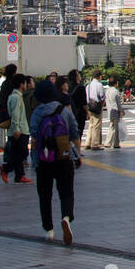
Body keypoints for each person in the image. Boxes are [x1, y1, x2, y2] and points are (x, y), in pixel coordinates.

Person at [30, 78, 81, 244]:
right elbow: (74, 134)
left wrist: (35, 161)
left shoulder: (37, 113)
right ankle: (66, 217)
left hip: (45, 160)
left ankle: (48, 230)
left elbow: (35, 139)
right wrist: (78, 155)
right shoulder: (64, 111)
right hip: (64, 158)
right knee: (66, 192)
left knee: (44, 196)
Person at [0, 73, 34, 184]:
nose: (26, 85)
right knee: (22, 153)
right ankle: (6, 169)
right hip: (20, 130)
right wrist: (16, 129)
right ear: (21, 84)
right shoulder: (16, 97)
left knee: (17, 154)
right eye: (24, 83)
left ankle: (19, 176)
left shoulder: (16, 96)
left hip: (19, 129)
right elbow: (15, 115)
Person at [84, 70, 106, 150]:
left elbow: (86, 98)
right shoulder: (99, 85)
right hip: (97, 106)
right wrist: (101, 106)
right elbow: (102, 97)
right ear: (99, 76)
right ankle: (94, 144)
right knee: (97, 126)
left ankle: (87, 143)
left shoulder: (88, 85)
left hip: (90, 106)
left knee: (91, 125)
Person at [104, 73, 124, 148]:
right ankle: (116, 143)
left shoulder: (107, 91)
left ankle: (107, 142)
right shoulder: (115, 91)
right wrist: (121, 111)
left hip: (109, 111)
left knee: (111, 126)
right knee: (116, 128)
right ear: (115, 83)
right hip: (115, 111)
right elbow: (118, 103)